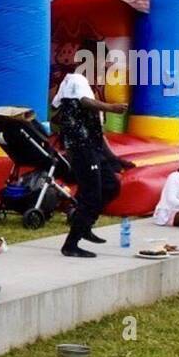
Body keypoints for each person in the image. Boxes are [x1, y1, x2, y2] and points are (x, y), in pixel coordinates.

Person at [52, 66, 128, 257]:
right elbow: (83, 101)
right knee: (90, 194)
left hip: (93, 149)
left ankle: (85, 224)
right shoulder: (76, 80)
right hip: (81, 149)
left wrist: (114, 158)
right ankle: (71, 243)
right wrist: (110, 107)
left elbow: (99, 134)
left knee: (111, 186)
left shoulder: (89, 90)